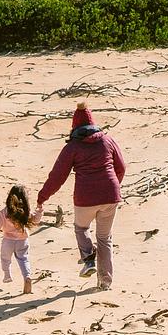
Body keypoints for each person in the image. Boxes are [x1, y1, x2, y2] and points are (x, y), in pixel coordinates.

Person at [35, 102, 126, 291]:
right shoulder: (107, 141)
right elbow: (121, 167)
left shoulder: (73, 147)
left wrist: (42, 197)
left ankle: (88, 259)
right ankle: (105, 282)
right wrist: (113, 186)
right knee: (104, 238)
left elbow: (57, 176)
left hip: (85, 198)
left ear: (75, 126)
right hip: (110, 196)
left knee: (81, 228)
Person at [0, 185, 40, 295]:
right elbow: (36, 220)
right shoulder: (26, 212)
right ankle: (27, 276)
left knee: (5, 258)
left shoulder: (5, 212)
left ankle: (7, 275)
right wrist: (40, 211)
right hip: (23, 240)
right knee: (23, 259)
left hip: (8, 241)